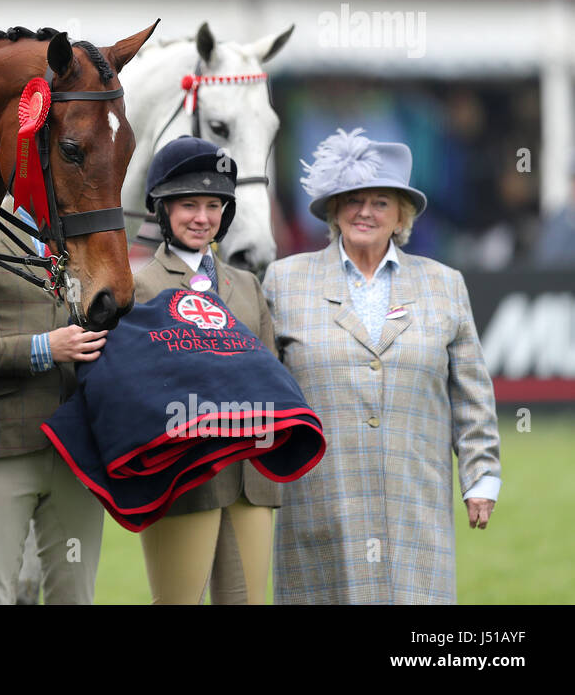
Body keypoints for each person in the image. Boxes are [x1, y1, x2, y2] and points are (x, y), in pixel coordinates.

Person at [263, 127, 501, 604]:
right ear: (334, 209)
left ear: (401, 217)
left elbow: (472, 395)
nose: (365, 212)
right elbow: (260, 385)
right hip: (319, 495)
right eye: (352, 200)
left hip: (414, 496)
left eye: (380, 202)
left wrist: (480, 475)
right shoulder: (284, 281)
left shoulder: (444, 284)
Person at [132, 137, 280, 604]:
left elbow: (272, 375)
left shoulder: (247, 285)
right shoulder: (140, 287)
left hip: (251, 477)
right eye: (188, 205)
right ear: (162, 210)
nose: (202, 217)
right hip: (183, 478)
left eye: (213, 205)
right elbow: (135, 387)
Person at [0, 197, 107, 604]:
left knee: (75, 595)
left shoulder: (86, 233)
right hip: (0, 444)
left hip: (77, 450)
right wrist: (42, 348)